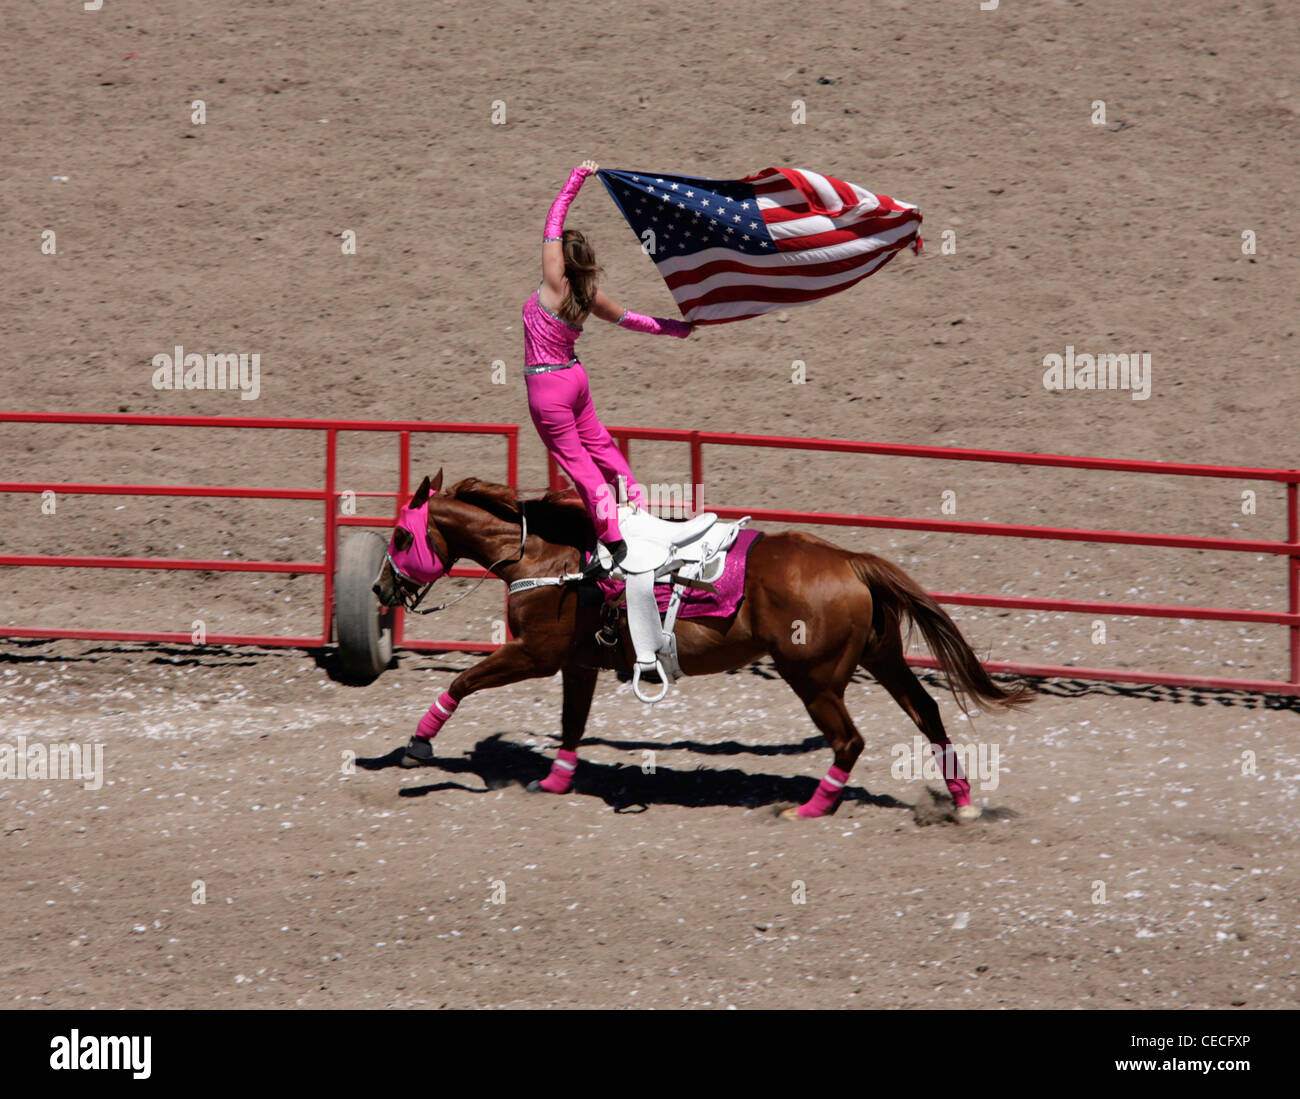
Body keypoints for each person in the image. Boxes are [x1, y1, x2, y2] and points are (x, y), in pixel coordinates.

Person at [523, 159, 698, 695]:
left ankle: (616, 544)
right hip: (576, 379)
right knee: (601, 445)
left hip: (547, 386)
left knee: (578, 466)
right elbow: (635, 320)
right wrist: (678, 329)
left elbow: (552, 220)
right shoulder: (586, 297)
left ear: (561, 261)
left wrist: (576, 175)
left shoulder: (553, 286)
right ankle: (637, 504)